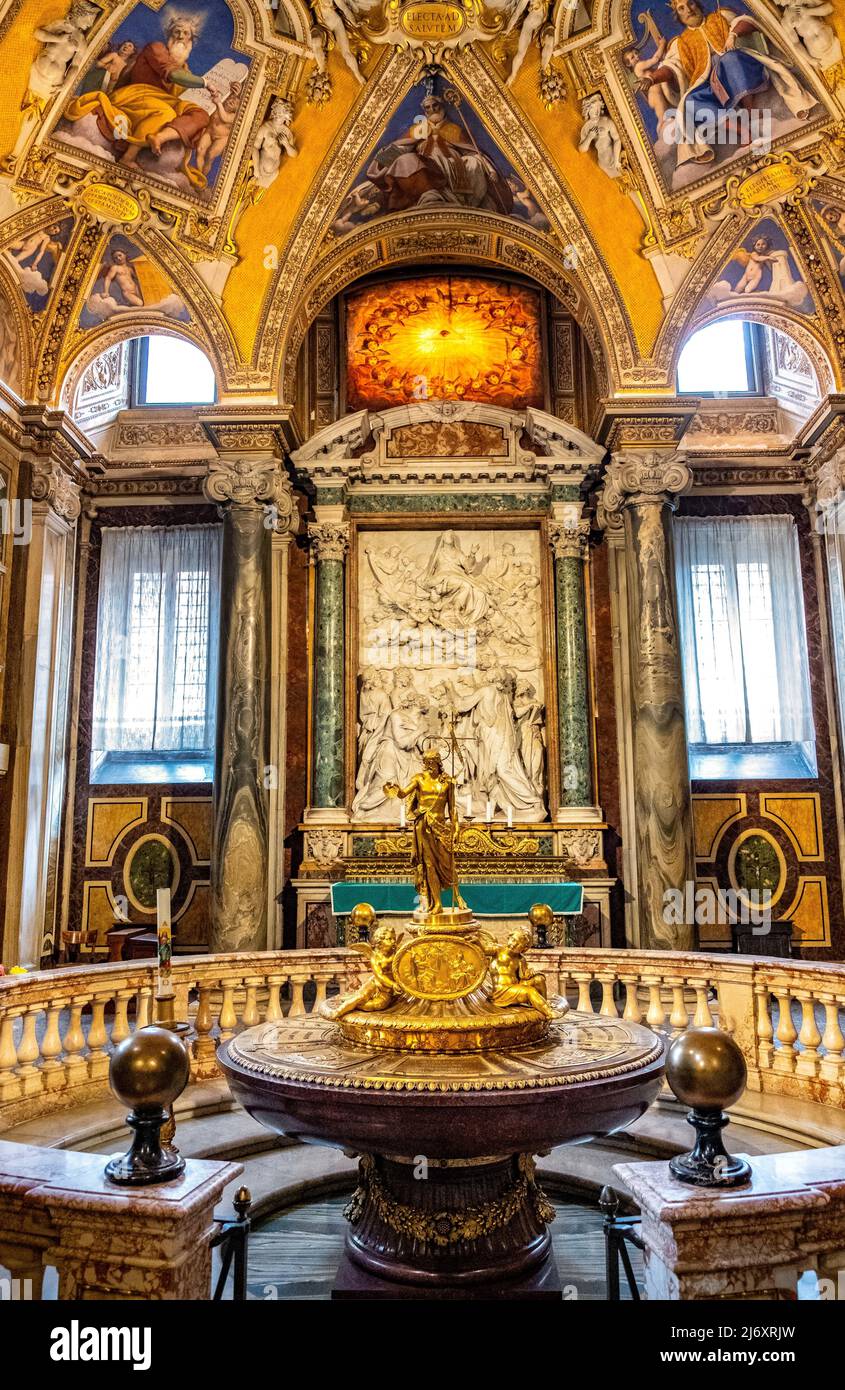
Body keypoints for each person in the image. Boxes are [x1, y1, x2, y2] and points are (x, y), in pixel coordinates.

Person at [639, 0, 814, 170]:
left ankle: (751, 116)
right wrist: (652, 78)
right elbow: (671, 66)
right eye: (682, 8)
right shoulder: (681, 42)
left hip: (736, 67)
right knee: (691, 102)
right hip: (707, 82)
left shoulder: (719, 16)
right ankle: (745, 132)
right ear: (678, 15)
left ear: (697, 4)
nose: (688, 10)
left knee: (730, 59)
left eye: (691, 3)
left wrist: (733, 35)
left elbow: (745, 21)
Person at [63, 13, 214, 184]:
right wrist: (205, 83)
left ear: (191, 40)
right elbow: (173, 74)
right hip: (136, 94)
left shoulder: (186, 71)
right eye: (176, 31)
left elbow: (182, 86)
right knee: (165, 113)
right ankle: (128, 157)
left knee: (201, 115)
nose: (180, 36)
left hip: (165, 100)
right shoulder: (156, 49)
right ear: (169, 35)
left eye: (185, 33)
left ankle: (160, 137)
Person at [384, 748, 465, 917]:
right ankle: (437, 903)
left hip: (441, 828)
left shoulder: (447, 782)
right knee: (429, 865)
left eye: (431, 762)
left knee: (447, 863)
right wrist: (395, 788)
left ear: (438, 762)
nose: (427, 765)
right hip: (423, 826)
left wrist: (456, 827)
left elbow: (452, 808)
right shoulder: (419, 779)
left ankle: (457, 896)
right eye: (425, 762)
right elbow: (403, 793)